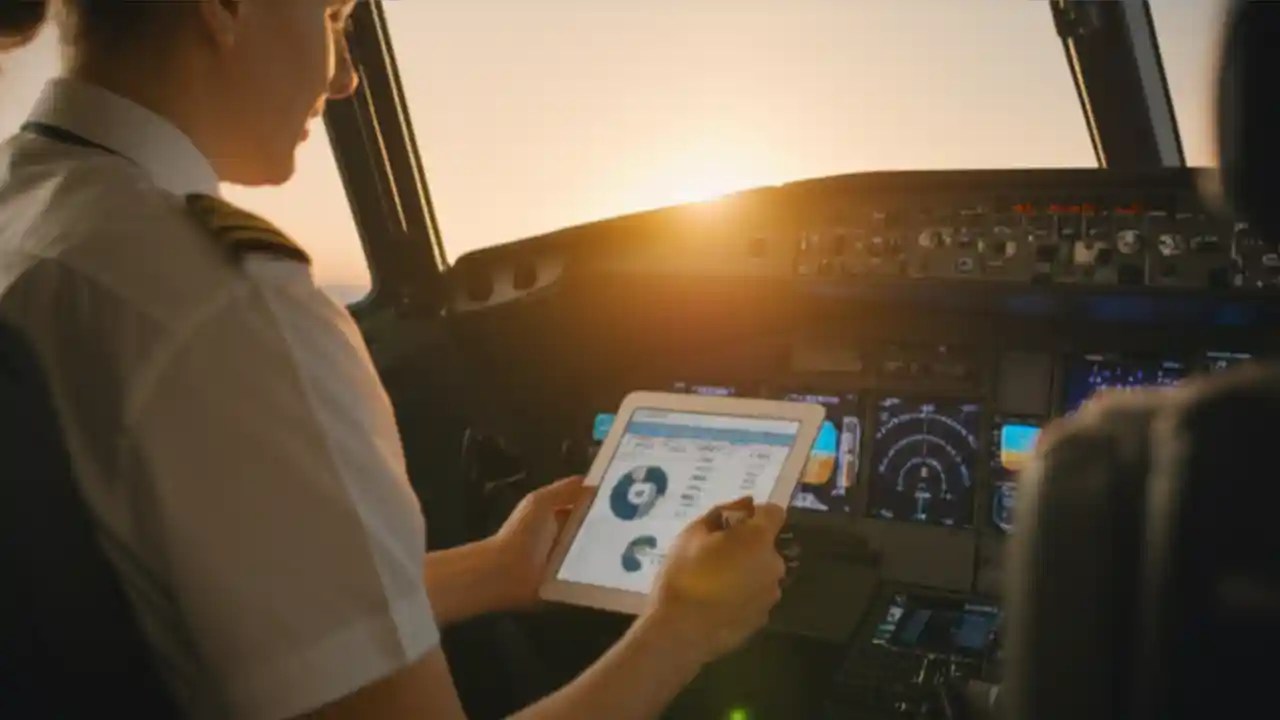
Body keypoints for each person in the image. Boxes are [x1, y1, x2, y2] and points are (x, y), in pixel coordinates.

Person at [0, 2, 788, 719]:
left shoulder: (32, 208)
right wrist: (683, 629)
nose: (345, 76)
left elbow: (178, 600)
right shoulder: (226, 309)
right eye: (336, 16)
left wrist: (493, 568)